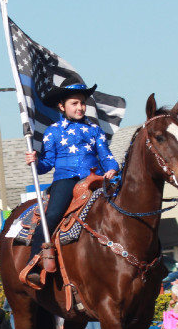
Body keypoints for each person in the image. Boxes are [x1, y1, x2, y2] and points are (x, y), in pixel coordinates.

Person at [24, 82, 119, 281]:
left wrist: (112, 168)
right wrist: (35, 161)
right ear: (61, 106)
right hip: (66, 180)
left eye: (82, 103)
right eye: (74, 103)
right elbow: (47, 164)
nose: (80, 107)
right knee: (52, 215)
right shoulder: (53, 131)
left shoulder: (94, 130)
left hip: (95, 178)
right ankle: (34, 261)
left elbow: (106, 155)